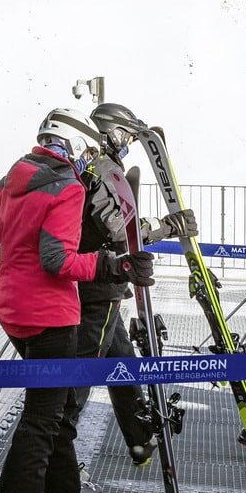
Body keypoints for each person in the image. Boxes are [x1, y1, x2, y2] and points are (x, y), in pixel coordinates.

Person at [0, 108, 152, 493]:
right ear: (72, 143)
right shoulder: (67, 187)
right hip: (52, 315)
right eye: (87, 148)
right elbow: (58, 260)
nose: (90, 157)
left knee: (48, 409)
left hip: (13, 310)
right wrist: (114, 263)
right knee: (42, 421)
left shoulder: (13, 178)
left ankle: (67, 492)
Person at [66, 102, 197, 465]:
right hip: (98, 284)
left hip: (97, 279)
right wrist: (168, 227)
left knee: (120, 359)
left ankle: (140, 438)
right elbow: (121, 231)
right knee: (84, 370)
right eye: (124, 135)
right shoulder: (101, 169)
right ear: (109, 132)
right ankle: (54, 446)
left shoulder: (90, 167)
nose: (126, 143)